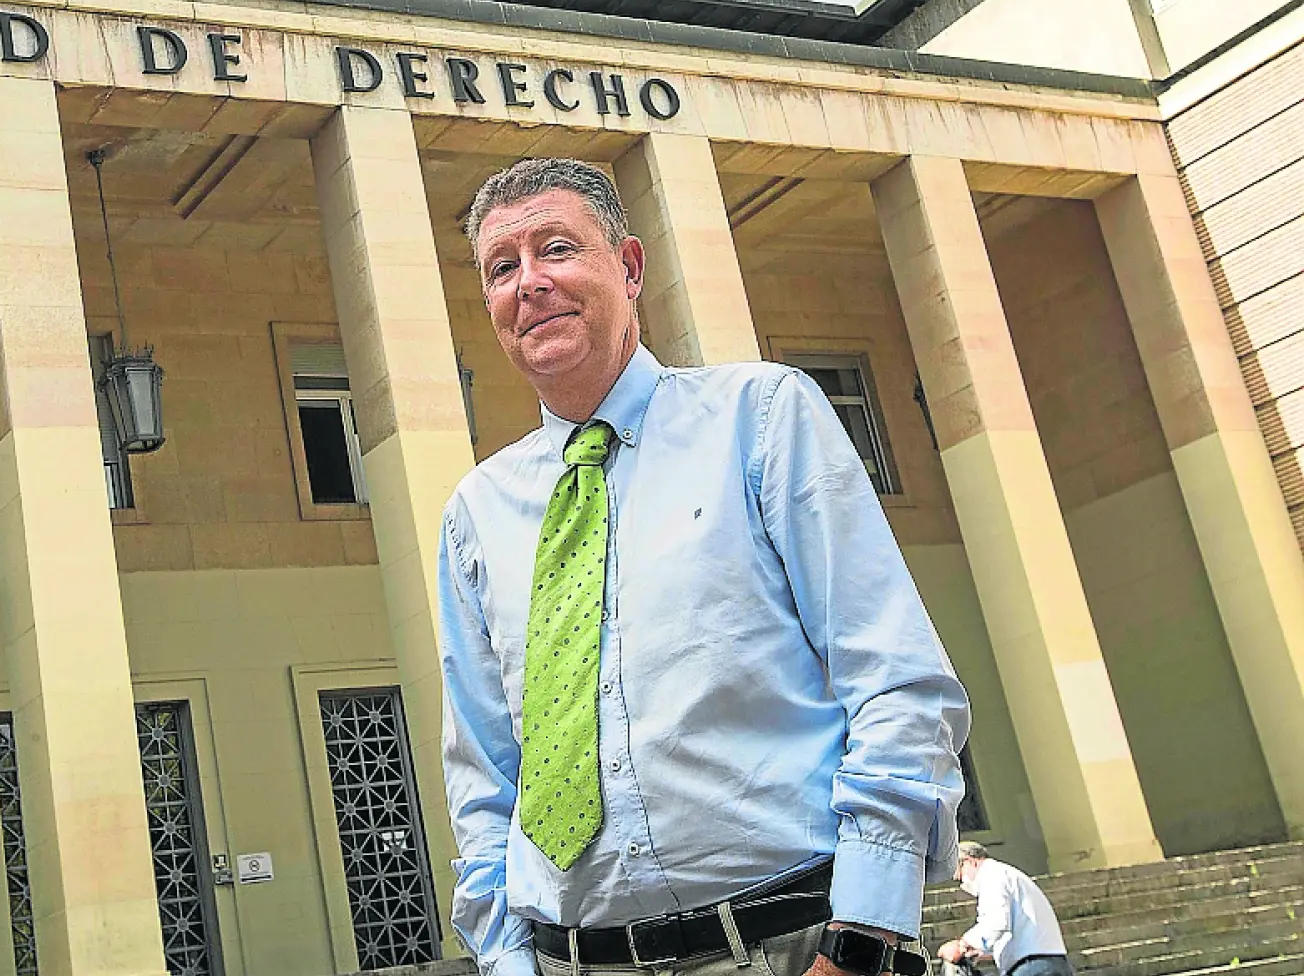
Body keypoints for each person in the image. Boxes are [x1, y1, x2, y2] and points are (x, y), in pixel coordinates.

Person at [438, 158, 972, 976]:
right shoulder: (476, 514)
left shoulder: (760, 418)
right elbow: (483, 778)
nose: (530, 283)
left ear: (629, 266)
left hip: (792, 945)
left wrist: (863, 935)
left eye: (556, 249)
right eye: (502, 268)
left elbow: (896, 682)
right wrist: (507, 962)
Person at [938, 842, 1071, 976]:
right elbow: (1009, 928)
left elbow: (995, 922)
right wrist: (982, 951)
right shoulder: (1004, 874)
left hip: (1033, 965)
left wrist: (963, 944)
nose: (963, 883)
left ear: (971, 862)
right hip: (1046, 961)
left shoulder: (991, 876)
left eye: (960, 875)